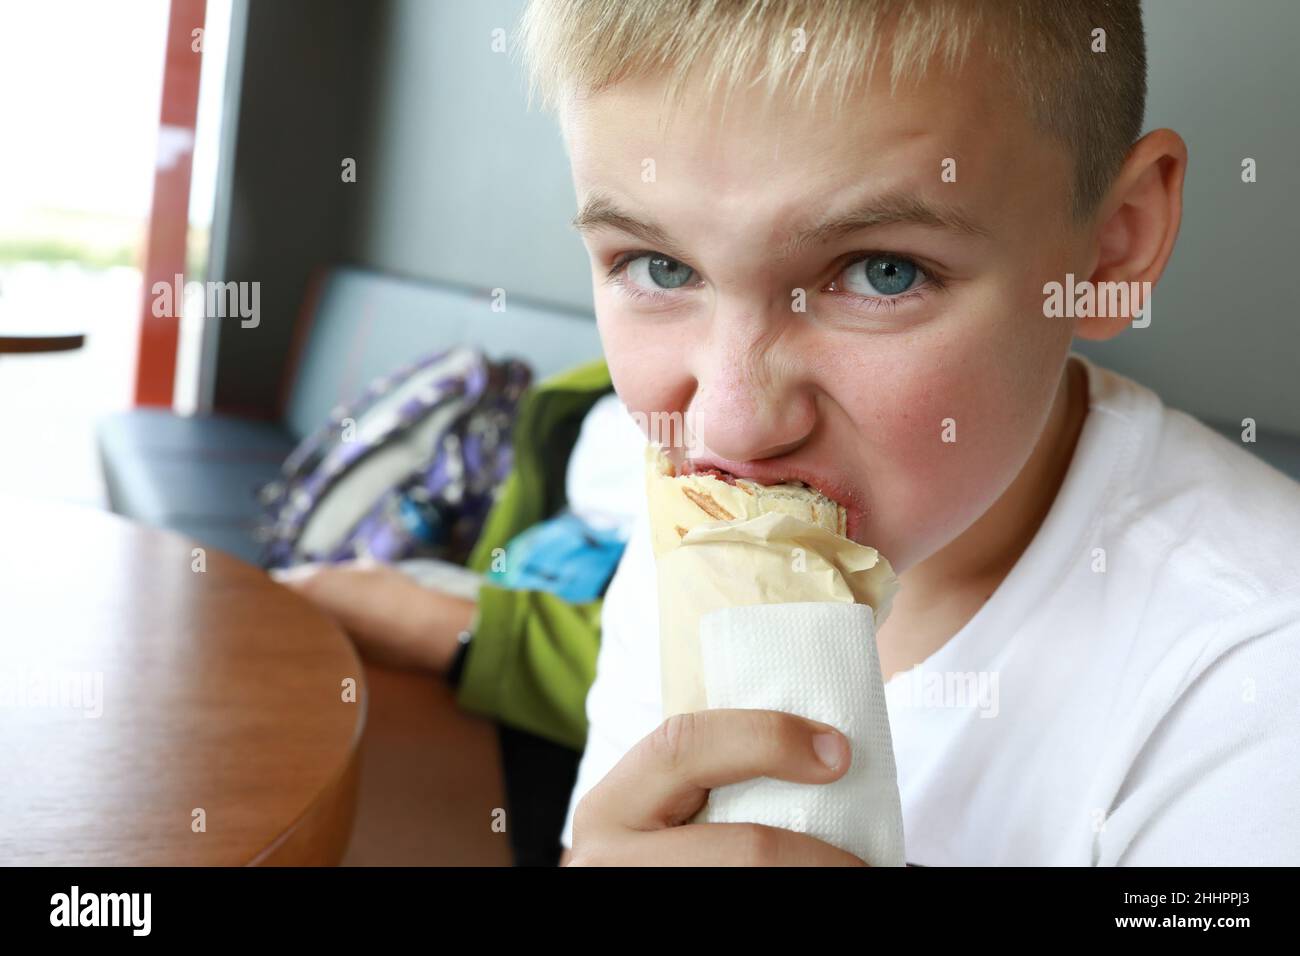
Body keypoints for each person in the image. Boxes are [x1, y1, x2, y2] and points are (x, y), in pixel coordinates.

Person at [506, 0, 1299, 866]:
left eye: (883, 274)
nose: (729, 424)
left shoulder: (1255, 681)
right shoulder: (695, 529)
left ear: (1112, 247)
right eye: (659, 267)